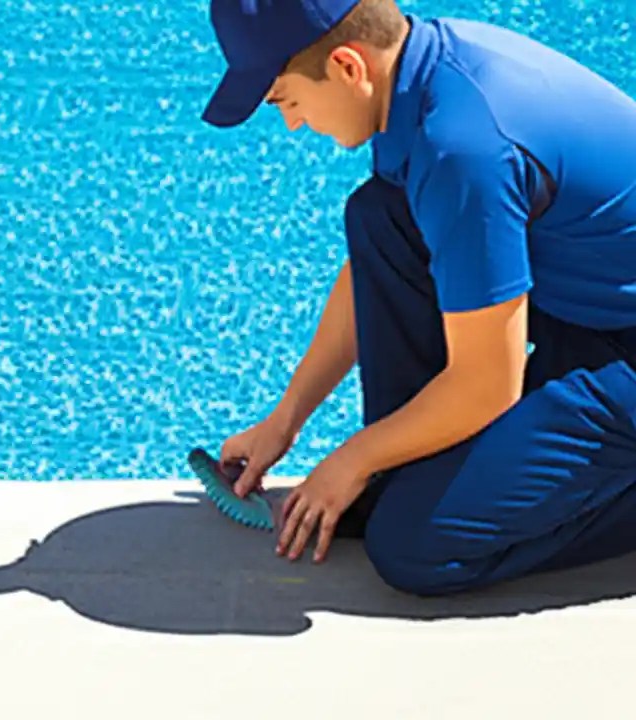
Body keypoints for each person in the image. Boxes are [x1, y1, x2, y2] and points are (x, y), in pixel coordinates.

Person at [203, 0, 636, 596]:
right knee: (380, 218)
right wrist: (286, 421)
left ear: (349, 67)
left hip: (624, 345)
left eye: (287, 100)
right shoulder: (421, 75)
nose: (293, 126)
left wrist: (352, 460)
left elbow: (488, 384)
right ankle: (415, 467)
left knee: (410, 545)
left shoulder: (464, 146)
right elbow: (371, 270)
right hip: (590, 295)